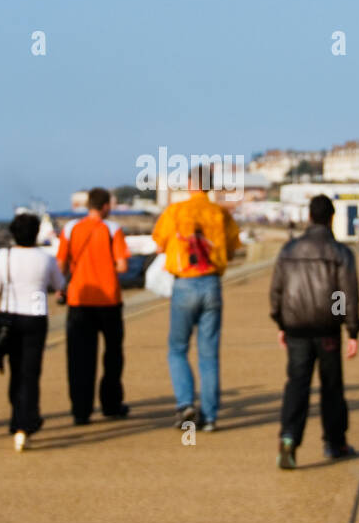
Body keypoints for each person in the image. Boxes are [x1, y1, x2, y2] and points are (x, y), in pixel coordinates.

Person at [270, 195, 359, 469]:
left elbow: (277, 291)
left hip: (296, 327)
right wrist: (351, 329)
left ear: (309, 217)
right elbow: (346, 295)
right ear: (331, 218)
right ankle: (335, 443)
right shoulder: (340, 253)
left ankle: (288, 439)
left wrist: (281, 323)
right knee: (331, 386)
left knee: (297, 384)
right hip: (327, 328)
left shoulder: (289, 250)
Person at [151, 163, 241, 432]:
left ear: (191, 183)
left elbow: (159, 243)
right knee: (209, 353)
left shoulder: (176, 211)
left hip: (185, 284)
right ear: (210, 185)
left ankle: (185, 404)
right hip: (212, 284)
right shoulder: (219, 213)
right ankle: (210, 416)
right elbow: (233, 247)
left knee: (178, 348)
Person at [0, 212, 64, 452]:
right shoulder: (45, 258)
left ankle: (16, 419)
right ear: (36, 234)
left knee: (14, 370)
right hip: (36, 317)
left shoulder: (4, 255)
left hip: (9, 316)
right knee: (31, 374)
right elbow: (60, 285)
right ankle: (26, 424)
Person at [56, 187, 130, 425]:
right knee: (112, 355)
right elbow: (122, 266)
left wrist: (61, 286)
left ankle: (80, 410)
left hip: (79, 298)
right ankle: (111, 404)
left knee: (79, 358)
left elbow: (61, 263)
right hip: (109, 299)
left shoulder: (70, 228)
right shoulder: (113, 229)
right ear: (106, 206)